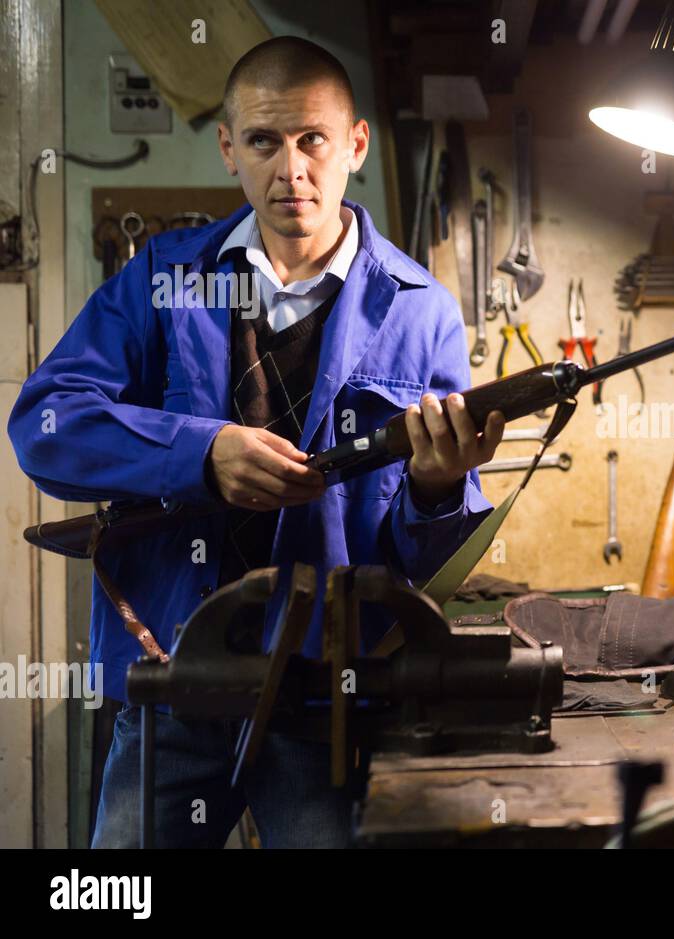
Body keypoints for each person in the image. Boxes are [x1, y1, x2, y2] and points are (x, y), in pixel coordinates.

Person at [8, 36, 505, 847]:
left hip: (326, 697)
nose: (291, 169)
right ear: (230, 148)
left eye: (313, 140)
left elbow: (423, 560)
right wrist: (198, 452)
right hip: (174, 682)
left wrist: (438, 488)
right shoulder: (162, 280)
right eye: (266, 141)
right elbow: (44, 424)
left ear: (355, 145)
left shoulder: (422, 312)